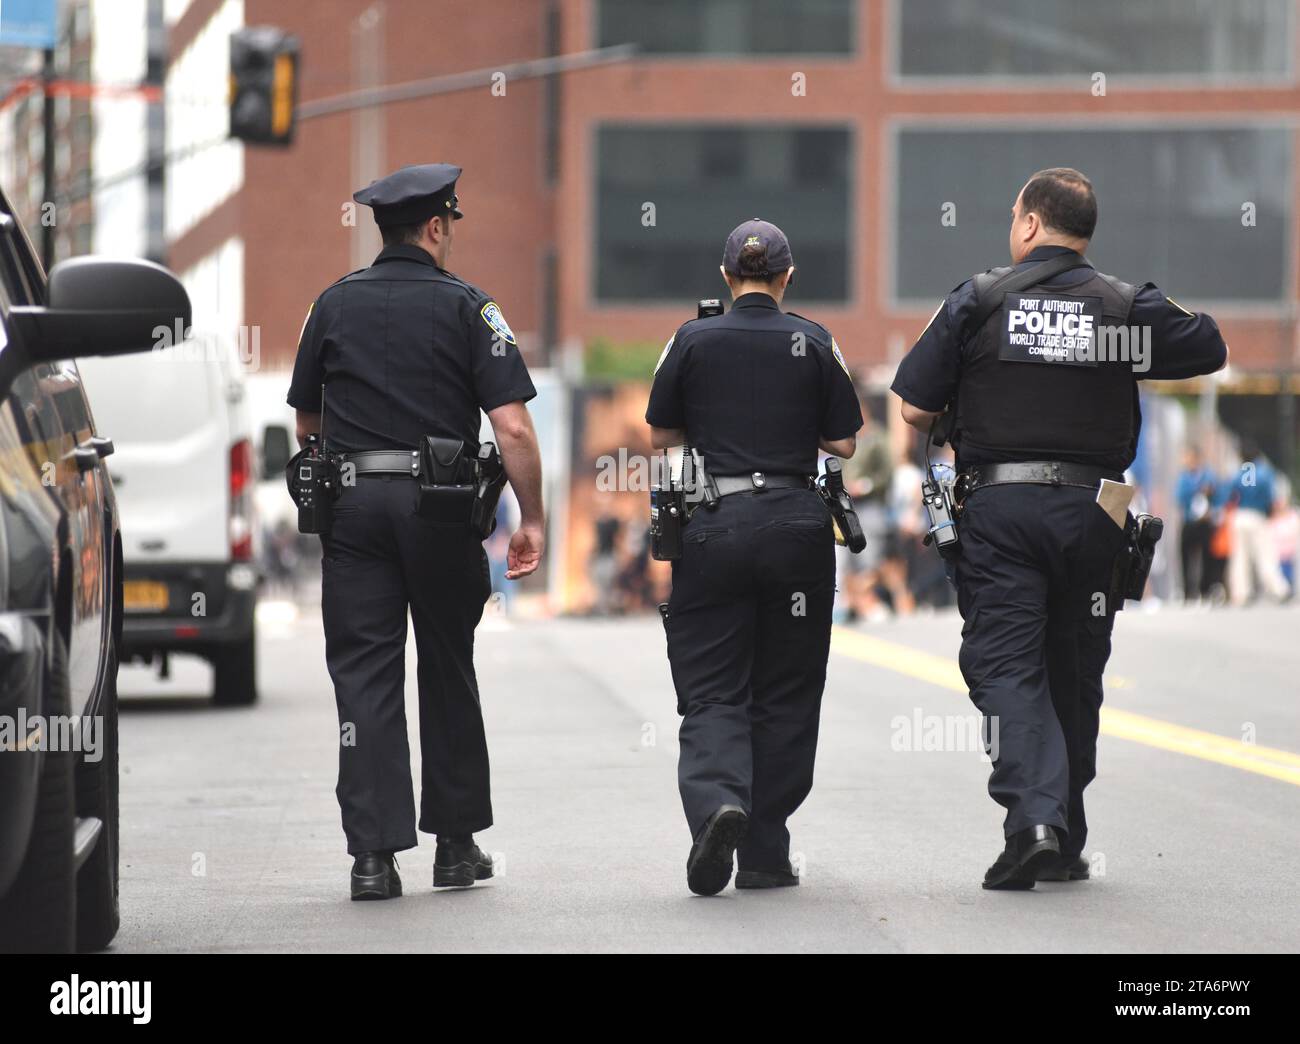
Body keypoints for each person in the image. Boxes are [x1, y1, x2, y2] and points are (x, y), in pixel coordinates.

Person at [891, 167, 1227, 889]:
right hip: (1095, 512)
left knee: (1008, 664)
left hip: (1001, 512)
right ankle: (1064, 836)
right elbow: (1208, 346)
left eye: (1015, 216)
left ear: (1032, 225)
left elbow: (914, 411)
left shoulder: (977, 300)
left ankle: (1034, 822)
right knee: (1073, 670)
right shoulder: (1123, 304)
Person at [287, 163, 545, 900]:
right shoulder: (470, 307)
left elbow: (307, 422)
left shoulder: (330, 305)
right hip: (440, 509)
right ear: (436, 227)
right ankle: (457, 849)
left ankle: (372, 859)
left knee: (364, 676)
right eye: (452, 225)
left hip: (356, 509)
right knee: (447, 666)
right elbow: (514, 426)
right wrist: (532, 519)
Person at [646, 219, 862, 896]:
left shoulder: (692, 338)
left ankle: (718, 804)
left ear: (725, 276)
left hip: (715, 522)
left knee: (713, 684)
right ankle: (767, 849)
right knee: (787, 689)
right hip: (797, 526)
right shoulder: (816, 341)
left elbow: (661, 433)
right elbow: (846, 444)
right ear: (787, 277)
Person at [1225, 437, 1289, 605]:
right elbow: (1271, 496)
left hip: (1240, 516)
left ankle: (1241, 593)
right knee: (1266, 554)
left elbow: (1230, 495)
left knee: (1240, 557)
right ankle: (1279, 589)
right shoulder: (1264, 472)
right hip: (1257, 515)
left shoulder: (1240, 471)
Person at [1175, 446, 1219, 601]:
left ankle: (1205, 590)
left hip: (1205, 522)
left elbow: (1218, 495)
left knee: (1207, 557)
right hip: (1189, 521)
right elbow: (1179, 498)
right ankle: (1188, 592)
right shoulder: (1184, 477)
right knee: (1185, 557)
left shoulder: (1208, 475)